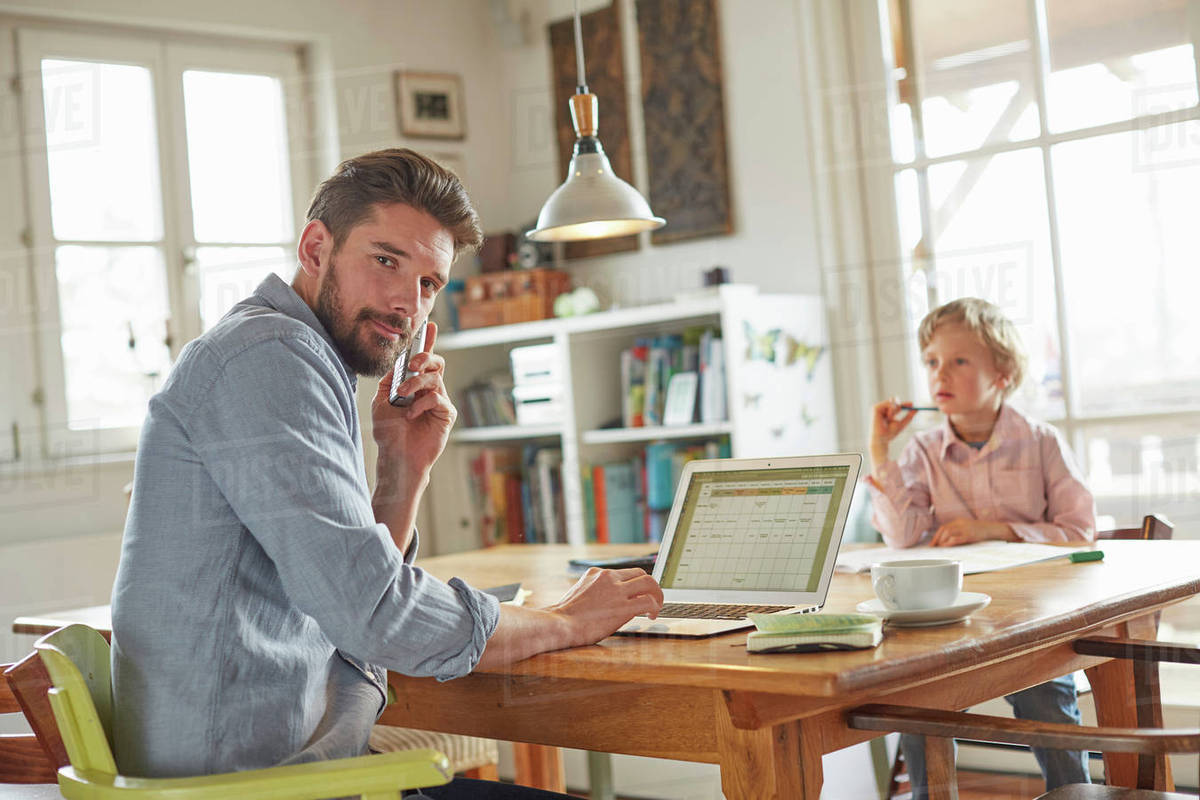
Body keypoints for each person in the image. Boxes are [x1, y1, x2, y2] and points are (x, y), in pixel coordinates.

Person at [110, 148, 663, 798]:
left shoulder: (296, 353)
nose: (408, 303)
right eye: (385, 261)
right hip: (254, 788)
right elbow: (375, 613)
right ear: (316, 247)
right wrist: (568, 622)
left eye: (430, 283)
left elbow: (348, 592)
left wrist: (403, 464)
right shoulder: (272, 359)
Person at [865, 297, 1094, 799]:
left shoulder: (1041, 442)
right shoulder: (923, 451)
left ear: (1004, 373)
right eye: (931, 362)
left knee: (1046, 698)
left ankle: (1075, 792)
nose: (938, 374)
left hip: (1031, 622)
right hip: (948, 625)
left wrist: (997, 528)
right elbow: (902, 536)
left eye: (958, 361)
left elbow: (1079, 530)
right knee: (918, 704)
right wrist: (881, 449)